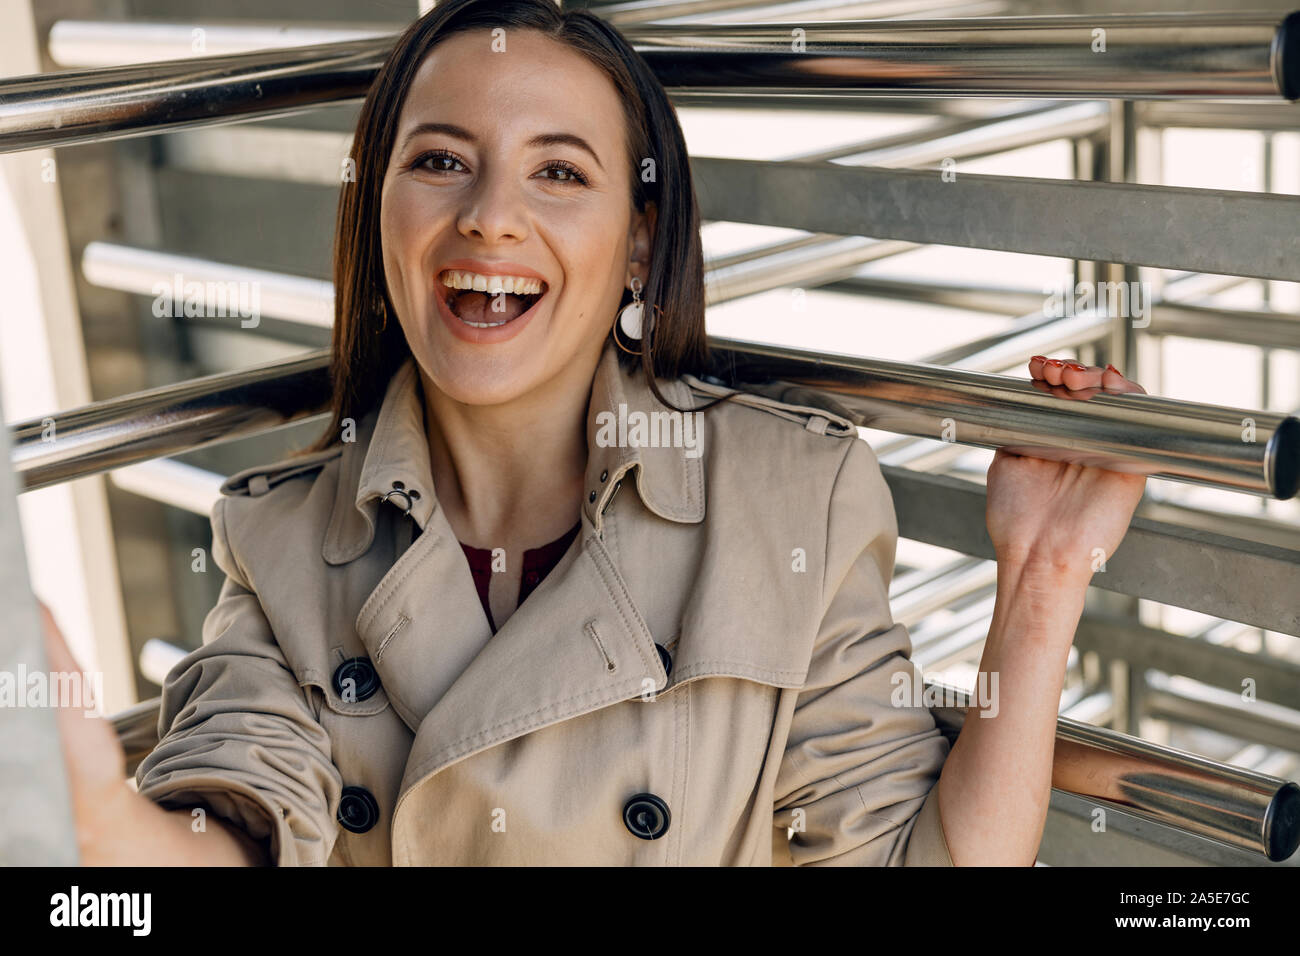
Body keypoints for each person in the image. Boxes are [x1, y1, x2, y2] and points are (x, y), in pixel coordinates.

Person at [43, 0, 1146, 866]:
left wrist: (1043, 574)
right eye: (436, 160)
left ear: (635, 242)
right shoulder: (279, 536)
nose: (488, 213)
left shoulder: (788, 495)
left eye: (560, 171)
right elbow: (233, 824)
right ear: (377, 211)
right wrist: (96, 819)